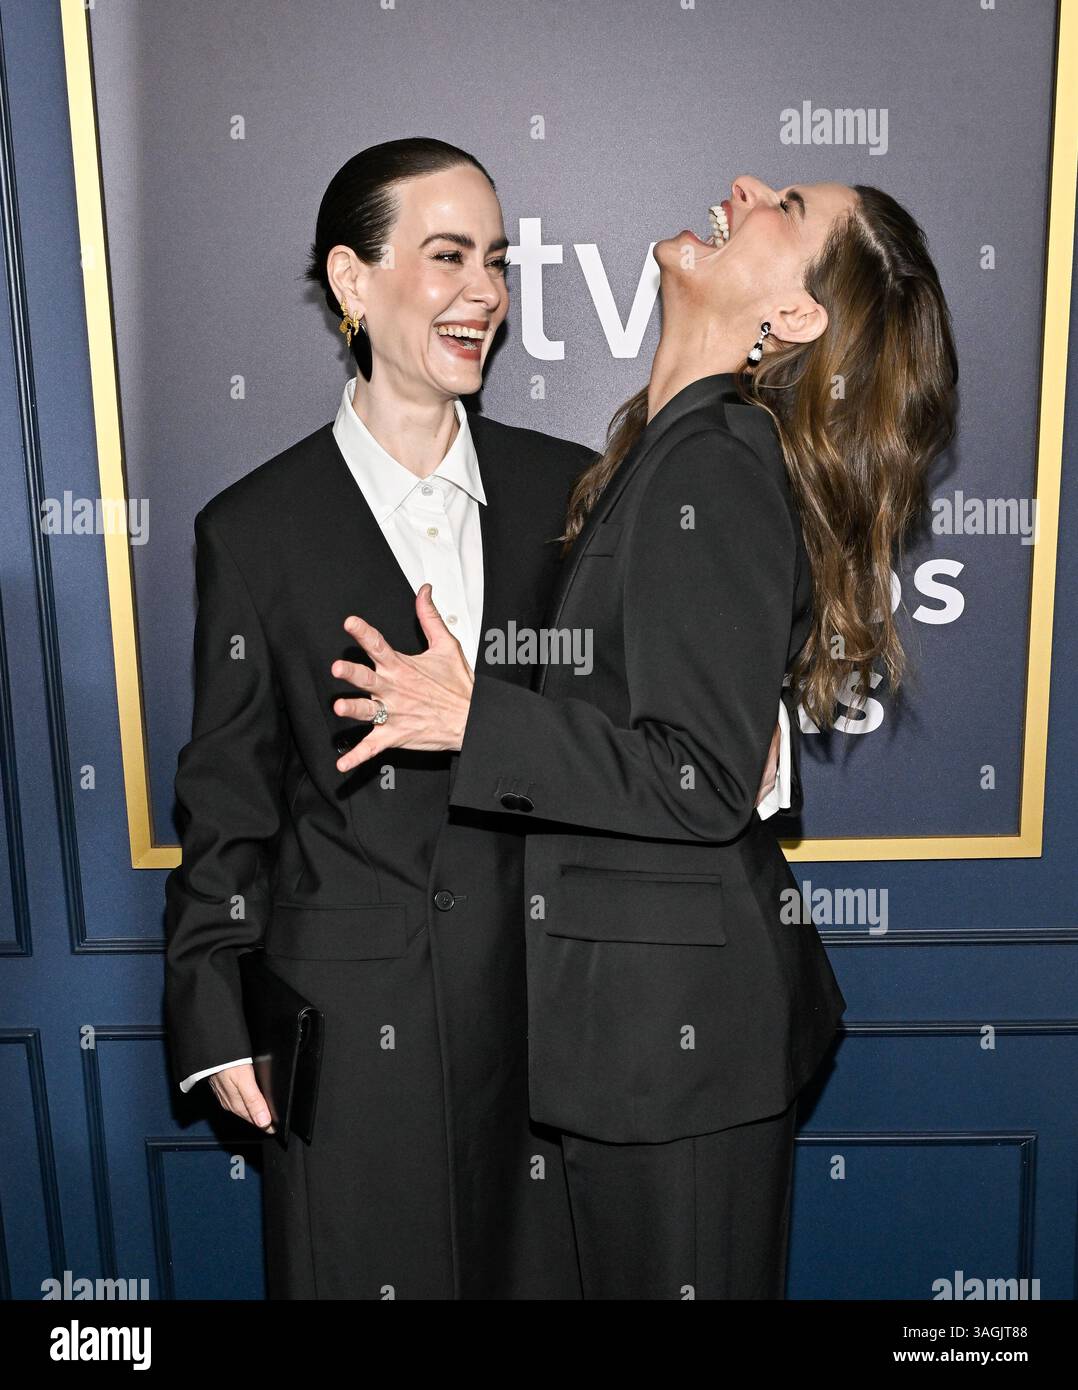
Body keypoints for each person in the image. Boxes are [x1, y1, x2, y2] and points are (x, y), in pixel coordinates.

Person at [163, 135, 795, 1299]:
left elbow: (664, 730)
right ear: (353, 283)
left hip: (554, 1021)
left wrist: (756, 743)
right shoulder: (249, 529)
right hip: (353, 1042)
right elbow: (227, 800)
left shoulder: (580, 492)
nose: (485, 292)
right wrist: (210, 1003)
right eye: (447, 254)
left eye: (496, 260)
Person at [330, 175, 960, 1299]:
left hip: (677, 1050)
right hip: (628, 1040)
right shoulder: (665, 453)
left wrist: (476, 718)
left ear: (799, 316)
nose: (743, 190)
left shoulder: (715, 460)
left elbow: (697, 774)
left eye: (786, 204)